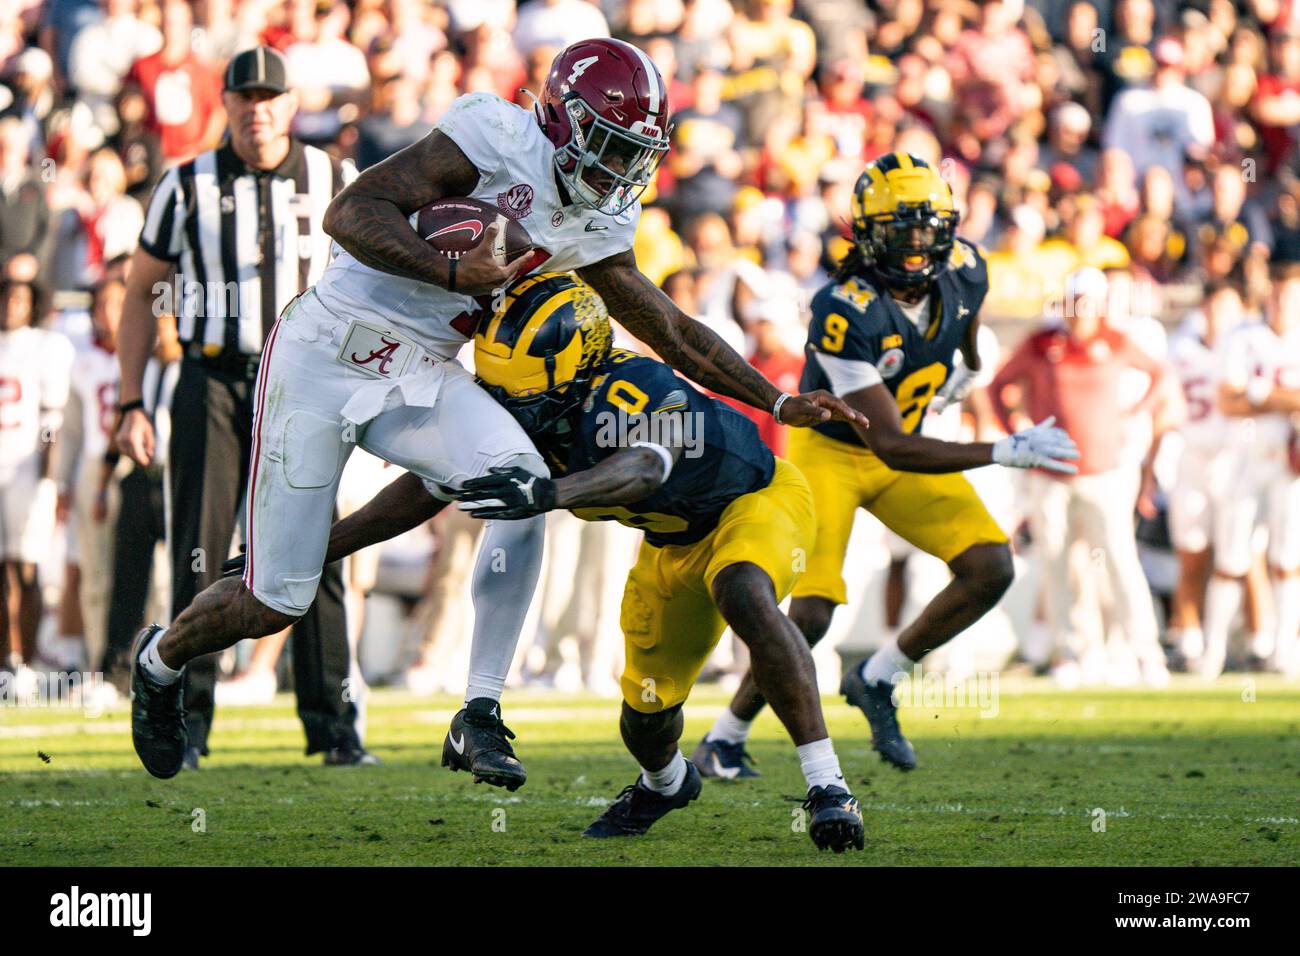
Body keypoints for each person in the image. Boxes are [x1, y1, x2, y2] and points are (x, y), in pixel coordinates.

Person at [123, 38, 862, 784]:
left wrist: (777, 398)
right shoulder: (493, 135)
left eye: (633, 152)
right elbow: (350, 213)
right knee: (274, 598)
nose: (617, 169)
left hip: (423, 369)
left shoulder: (598, 221)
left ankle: (479, 712)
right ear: (562, 120)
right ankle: (158, 662)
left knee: (520, 487)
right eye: (606, 144)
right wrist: (449, 268)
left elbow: (667, 327)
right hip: (322, 350)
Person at [264, 272, 866, 851]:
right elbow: (429, 488)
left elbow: (644, 467)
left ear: (577, 366)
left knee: (744, 592)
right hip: (669, 545)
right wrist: (318, 548)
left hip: (754, 502)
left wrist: (551, 493)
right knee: (646, 719)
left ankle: (829, 787)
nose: (514, 408)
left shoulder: (635, 390)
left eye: (529, 392)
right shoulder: (531, 395)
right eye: (503, 391)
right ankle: (668, 784)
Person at [693, 152, 1079, 776]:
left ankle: (878, 678)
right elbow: (890, 444)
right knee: (812, 613)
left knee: (988, 564)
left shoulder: (967, 269)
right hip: (837, 451)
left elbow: (968, 323)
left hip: (905, 444)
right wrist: (1001, 450)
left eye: (929, 229)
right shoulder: (843, 306)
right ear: (869, 234)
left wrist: (970, 369)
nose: (919, 244)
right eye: (904, 230)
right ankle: (726, 735)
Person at [116, 46, 370, 770]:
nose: (257, 110)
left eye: (270, 97)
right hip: (214, 381)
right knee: (200, 548)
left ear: (291, 105)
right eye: (244, 97)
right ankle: (187, 724)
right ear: (224, 104)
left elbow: (374, 279)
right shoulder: (186, 183)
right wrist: (132, 398)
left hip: (304, 384)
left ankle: (335, 729)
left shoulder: (333, 177)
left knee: (320, 548)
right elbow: (140, 291)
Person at [990, 267, 1172, 688]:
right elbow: (998, 385)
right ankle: (1070, 653)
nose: (1083, 310)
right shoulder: (1041, 342)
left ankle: (1145, 652)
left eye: (1090, 301)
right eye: (1078, 301)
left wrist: (1135, 413)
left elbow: (1161, 377)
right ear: (1068, 302)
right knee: (1057, 565)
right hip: (1050, 475)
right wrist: (1015, 430)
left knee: (1120, 562)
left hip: (1103, 473)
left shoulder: (1116, 340)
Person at [1211, 262, 1300, 679]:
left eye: (1290, 296)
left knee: (1288, 557)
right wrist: (1288, 400)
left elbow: (1249, 395)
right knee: (1231, 555)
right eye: (1278, 295)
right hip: (1243, 454)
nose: (1282, 304)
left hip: (1290, 459)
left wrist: (1265, 393)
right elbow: (1228, 402)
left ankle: (1286, 650)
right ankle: (1211, 652)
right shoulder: (1242, 337)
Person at [1165, 279, 1245, 670]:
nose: (1219, 317)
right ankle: (1192, 639)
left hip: (1238, 460)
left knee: (1239, 557)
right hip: (1191, 455)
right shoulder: (1181, 348)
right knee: (1191, 553)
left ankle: (1226, 643)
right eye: (1214, 307)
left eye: (1227, 308)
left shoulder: (1250, 345)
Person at [0, 278, 73, 693]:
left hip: (26, 467)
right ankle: (5, 661)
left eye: (21, 299)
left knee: (26, 568)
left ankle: (25, 660)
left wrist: (48, 472)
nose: (12, 305)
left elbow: (50, 418)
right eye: (7, 297)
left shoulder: (44, 346)